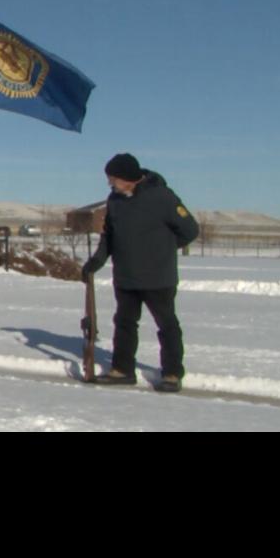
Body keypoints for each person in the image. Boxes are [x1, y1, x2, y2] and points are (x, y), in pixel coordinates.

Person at [81, 153, 200, 393]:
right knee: (124, 323)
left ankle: (172, 373)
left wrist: (164, 249)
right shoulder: (114, 200)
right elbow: (109, 235)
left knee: (166, 324)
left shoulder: (162, 197)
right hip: (126, 276)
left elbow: (190, 230)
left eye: (113, 178)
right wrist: (96, 261)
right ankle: (122, 370)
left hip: (159, 277)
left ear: (128, 177)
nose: (110, 183)